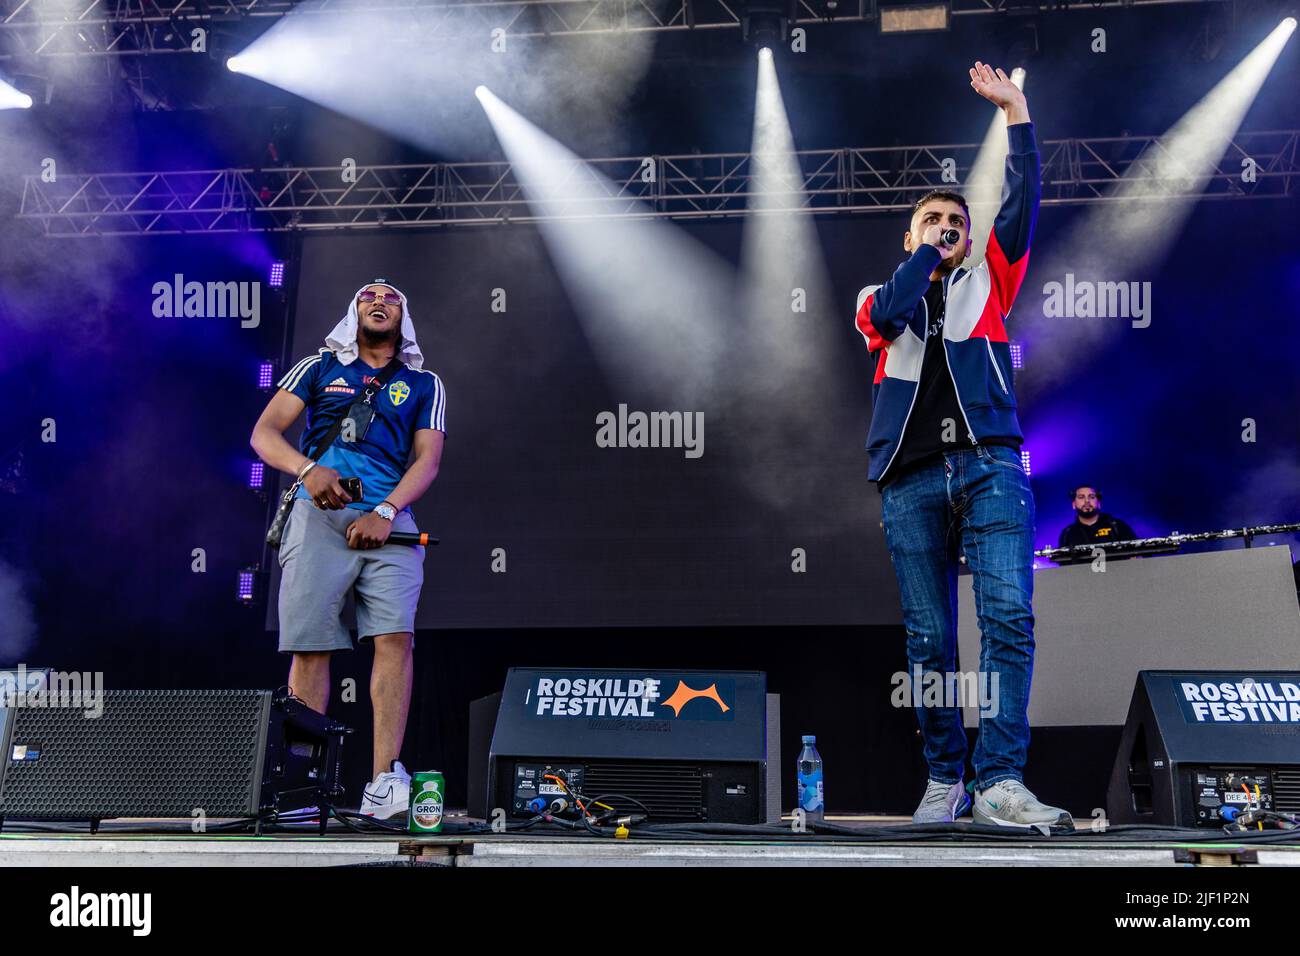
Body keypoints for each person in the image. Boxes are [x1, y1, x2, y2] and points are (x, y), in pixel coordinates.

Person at [853, 63, 1072, 830]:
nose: (951, 228)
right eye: (935, 221)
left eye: (959, 222)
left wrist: (1018, 112)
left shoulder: (993, 280)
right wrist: (927, 256)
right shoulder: (882, 299)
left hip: (990, 467)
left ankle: (1000, 780)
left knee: (1008, 618)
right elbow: (889, 311)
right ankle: (945, 777)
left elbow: (1026, 198)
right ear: (910, 235)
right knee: (929, 639)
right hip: (909, 477)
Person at [250, 281, 446, 819]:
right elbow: (264, 434)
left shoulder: (424, 383)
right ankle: (300, 785)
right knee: (311, 647)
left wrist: (385, 512)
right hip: (317, 517)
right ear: (352, 310)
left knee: (395, 640)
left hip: (389, 522)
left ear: (403, 316)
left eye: (391, 298)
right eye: (367, 297)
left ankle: (383, 781)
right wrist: (309, 470)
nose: (378, 302)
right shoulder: (317, 367)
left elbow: (426, 460)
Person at [1058, 485, 1137, 548]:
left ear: (1099, 503)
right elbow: (1064, 565)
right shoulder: (1068, 533)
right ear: (1073, 505)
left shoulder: (1117, 526)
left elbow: (1137, 553)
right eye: (1081, 497)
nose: (1087, 501)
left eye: (1091, 497)